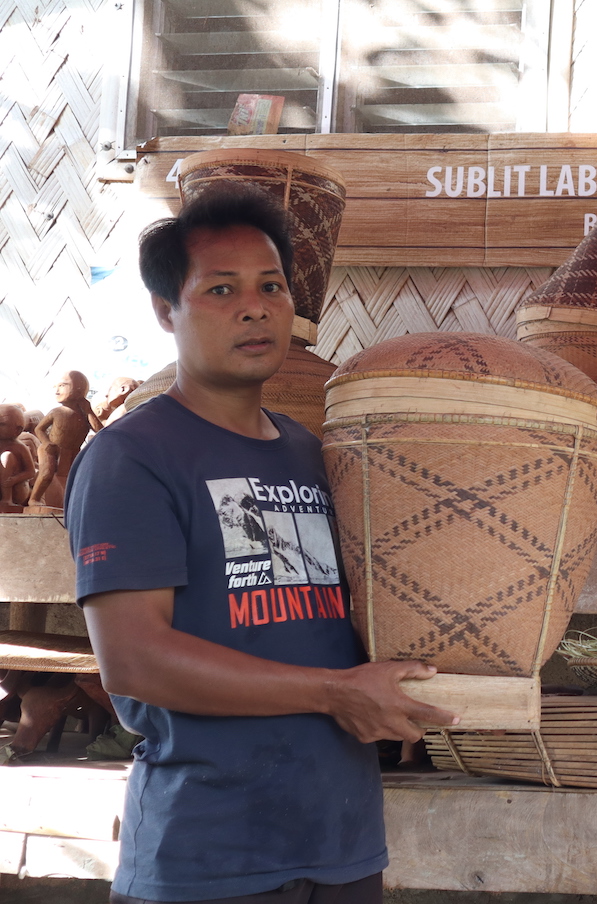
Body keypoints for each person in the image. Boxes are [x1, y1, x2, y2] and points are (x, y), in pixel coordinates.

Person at [65, 184, 458, 904]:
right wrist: (337, 694)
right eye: (221, 289)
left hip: (341, 846)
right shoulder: (134, 456)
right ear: (165, 310)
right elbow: (133, 660)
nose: (255, 307)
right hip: (206, 853)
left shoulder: (315, 454)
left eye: (271, 286)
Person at [29, 370, 98, 508]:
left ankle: (68, 505)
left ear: (79, 389)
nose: (57, 391)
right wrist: (47, 442)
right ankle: (34, 499)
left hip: (72, 452)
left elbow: (100, 430)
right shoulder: (57, 412)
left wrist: (89, 411)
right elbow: (39, 429)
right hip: (51, 448)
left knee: (72, 479)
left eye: (62, 385)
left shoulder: (85, 416)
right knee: (47, 473)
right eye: (56, 387)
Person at [0, 403, 35, 508]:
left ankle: (7, 499)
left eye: (2, 424)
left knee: (7, 457)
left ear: (17, 430)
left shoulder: (19, 447)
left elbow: (31, 472)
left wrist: (15, 479)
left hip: (17, 490)